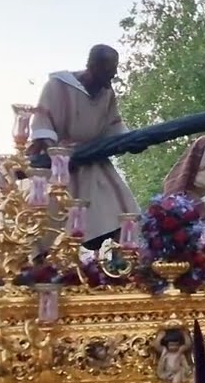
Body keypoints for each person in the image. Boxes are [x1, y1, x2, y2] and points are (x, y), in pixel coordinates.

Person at [28, 44, 139, 246]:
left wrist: (131, 140)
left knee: (124, 210)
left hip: (94, 160)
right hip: (59, 164)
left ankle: (127, 260)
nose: (112, 77)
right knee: (51, 222)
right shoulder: (57, 86)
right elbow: (43, 122)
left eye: (114, 71)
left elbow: (113, 125)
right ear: (92, 66)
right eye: (108, 71)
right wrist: (58, 157)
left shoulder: (107, 93)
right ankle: (44, 264)